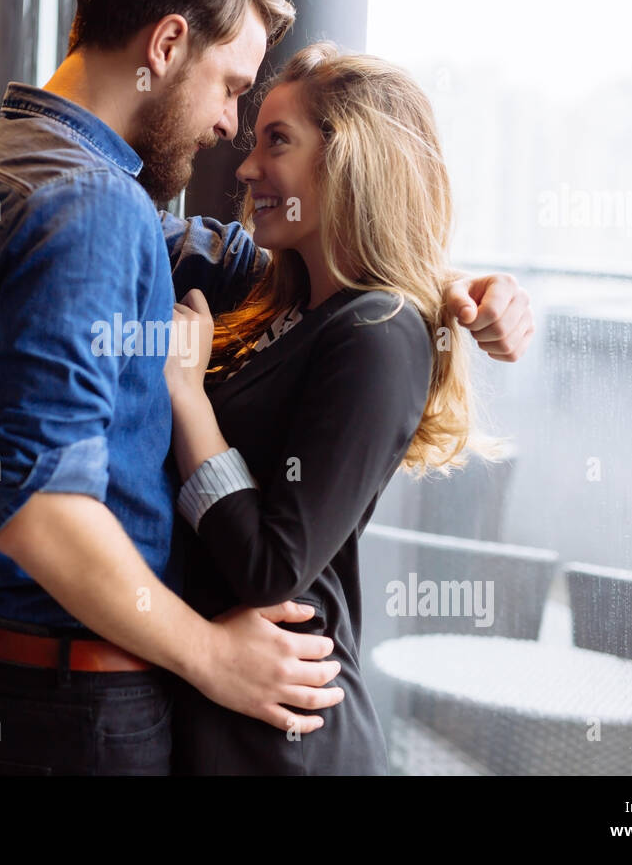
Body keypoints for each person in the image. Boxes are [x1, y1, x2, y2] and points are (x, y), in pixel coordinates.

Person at [0, 0, 534, 775]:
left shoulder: (19, 163)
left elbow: (302, 265)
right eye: (233, 86)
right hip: (66, 704)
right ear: (165, 44)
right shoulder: (91, 205)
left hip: (5, 680)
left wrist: (450, 290)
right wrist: (209, 654)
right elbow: (39, 506)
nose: (230, 131)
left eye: (270, 127)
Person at [163, 42, 504, 774]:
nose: (247, 168)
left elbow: (271, 567)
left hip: (288, 739)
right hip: (232, 722)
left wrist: (187, 400)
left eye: (277, 141)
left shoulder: (377, 332)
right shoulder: (281, 305)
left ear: (354, 160)